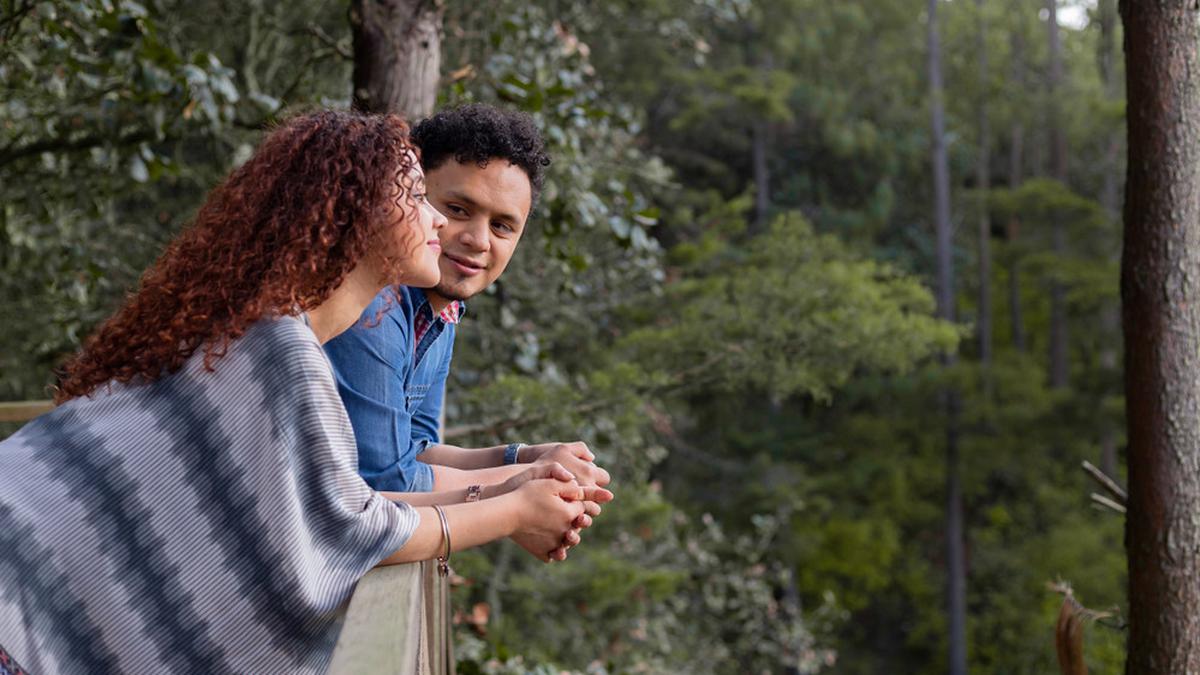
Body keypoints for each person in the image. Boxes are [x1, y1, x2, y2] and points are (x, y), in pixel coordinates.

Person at [0, 110, 609, 675]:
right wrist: (513, 506)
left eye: (502, 224)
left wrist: (520, 475)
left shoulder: (285, 334)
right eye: (421, 198)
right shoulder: (281, 348)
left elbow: (339, 498)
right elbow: (349, 519)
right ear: (357, 209)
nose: (444, 226)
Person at [324, 104, 611, 509]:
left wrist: (532, 460)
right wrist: (518, 493)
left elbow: (418, 449)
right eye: (458, 210)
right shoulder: (374, 305)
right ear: (413, 198)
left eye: (502, 226)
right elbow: (389, 481)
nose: (478, 240)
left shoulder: (442, 312)